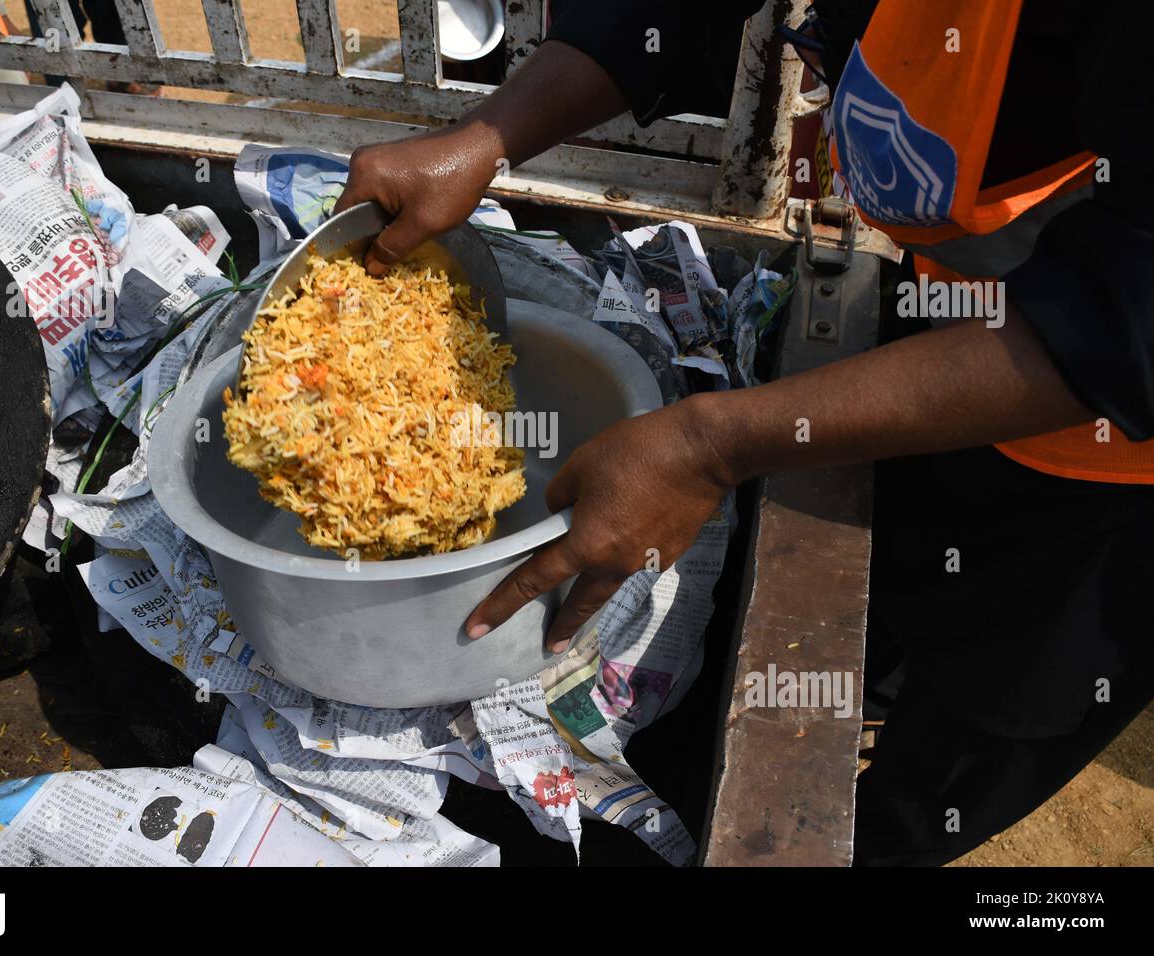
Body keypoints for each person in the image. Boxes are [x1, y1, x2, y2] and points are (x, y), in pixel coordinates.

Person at [337, 0, 1154, 865]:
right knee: (862, 617)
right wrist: (486, 139)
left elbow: (1131, 321)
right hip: (956, 331)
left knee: (972, 738)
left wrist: (710, 445)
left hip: (1102, 506)